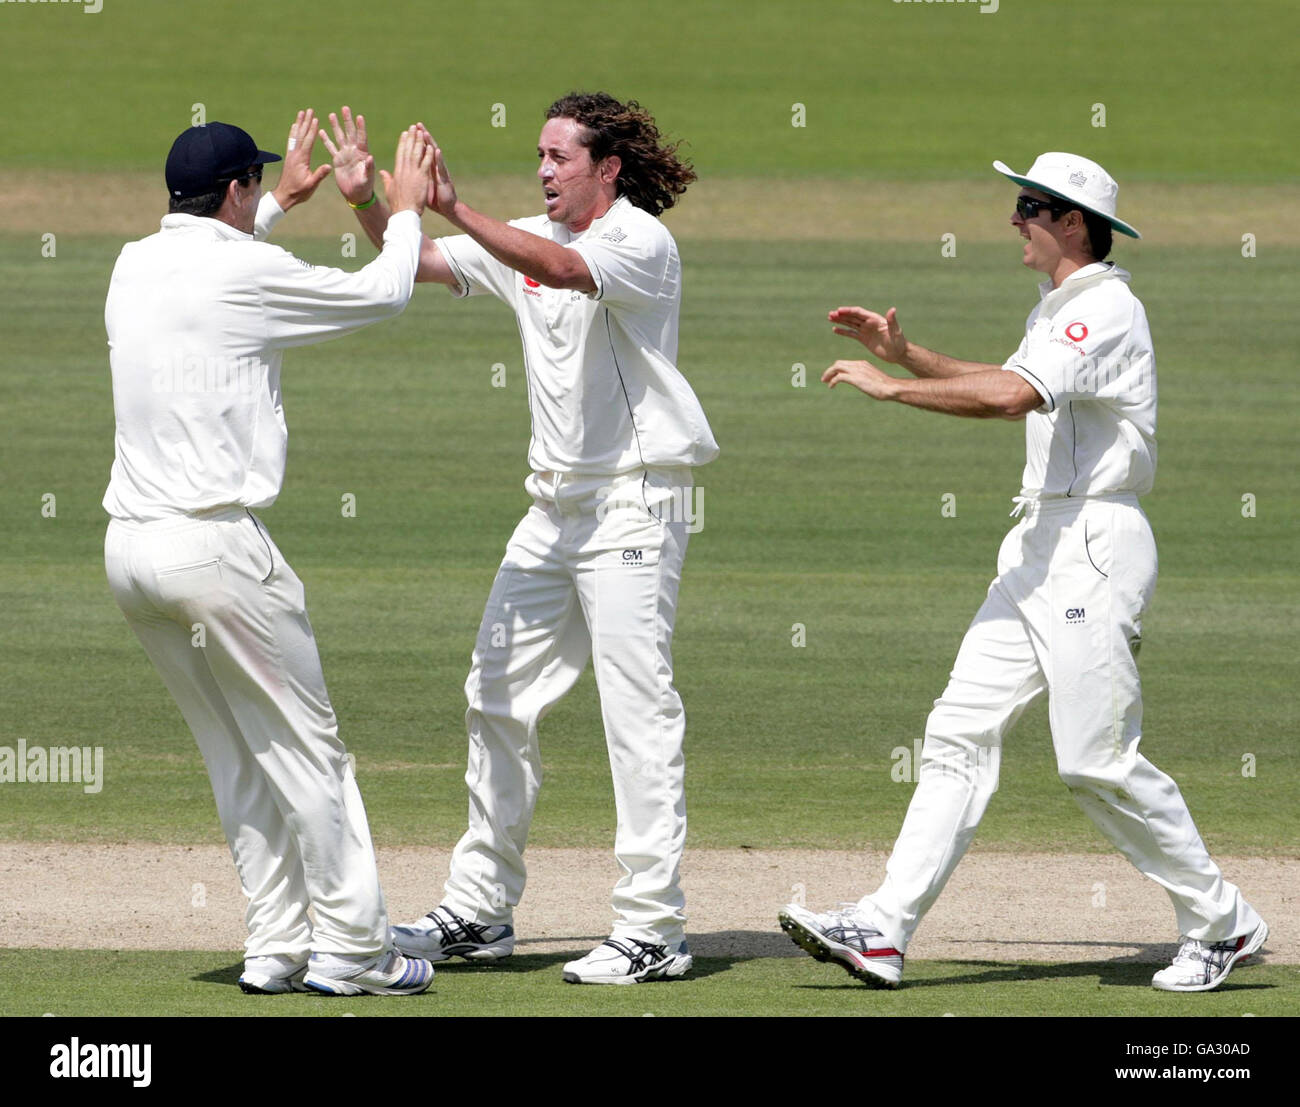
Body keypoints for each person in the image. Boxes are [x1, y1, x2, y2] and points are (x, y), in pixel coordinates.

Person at [778, 152, 1267, 993]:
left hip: (1092, 546)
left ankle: (1220, 922)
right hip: (1038, 544)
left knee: (1094, 761)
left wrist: (892, 389)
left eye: (1030, 206)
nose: (1015, 220)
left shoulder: (1106, 307)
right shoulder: (1060, 305)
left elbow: (1010, 399)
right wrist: (908, 352)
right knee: (957, 730)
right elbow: (1006, 380)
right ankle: (884, 929)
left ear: (1073, 223)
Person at [323, 93, 718, 984]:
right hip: (551, 510)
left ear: (607, 168)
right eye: (538, 156)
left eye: (560, 157)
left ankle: (654, 928)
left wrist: (454, 203)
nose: (543, 170)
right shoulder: (523, 244)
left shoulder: (638, 243)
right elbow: (417, 258)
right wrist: (363, 201)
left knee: (637, 707)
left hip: (634, 501)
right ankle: (480, 909)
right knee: (494, 693)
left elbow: (566, 269)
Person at [103, 112, 437, 997]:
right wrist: (401, 210)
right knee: (306, 750)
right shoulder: (243, 268)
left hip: (131, 554)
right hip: (214, 548)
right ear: (233, 192)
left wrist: (281, 201)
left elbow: (214, 275)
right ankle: (356, 951)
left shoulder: (134, 263)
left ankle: (276, 944)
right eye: (255, 184)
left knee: (236, 755)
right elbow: (382, 295)